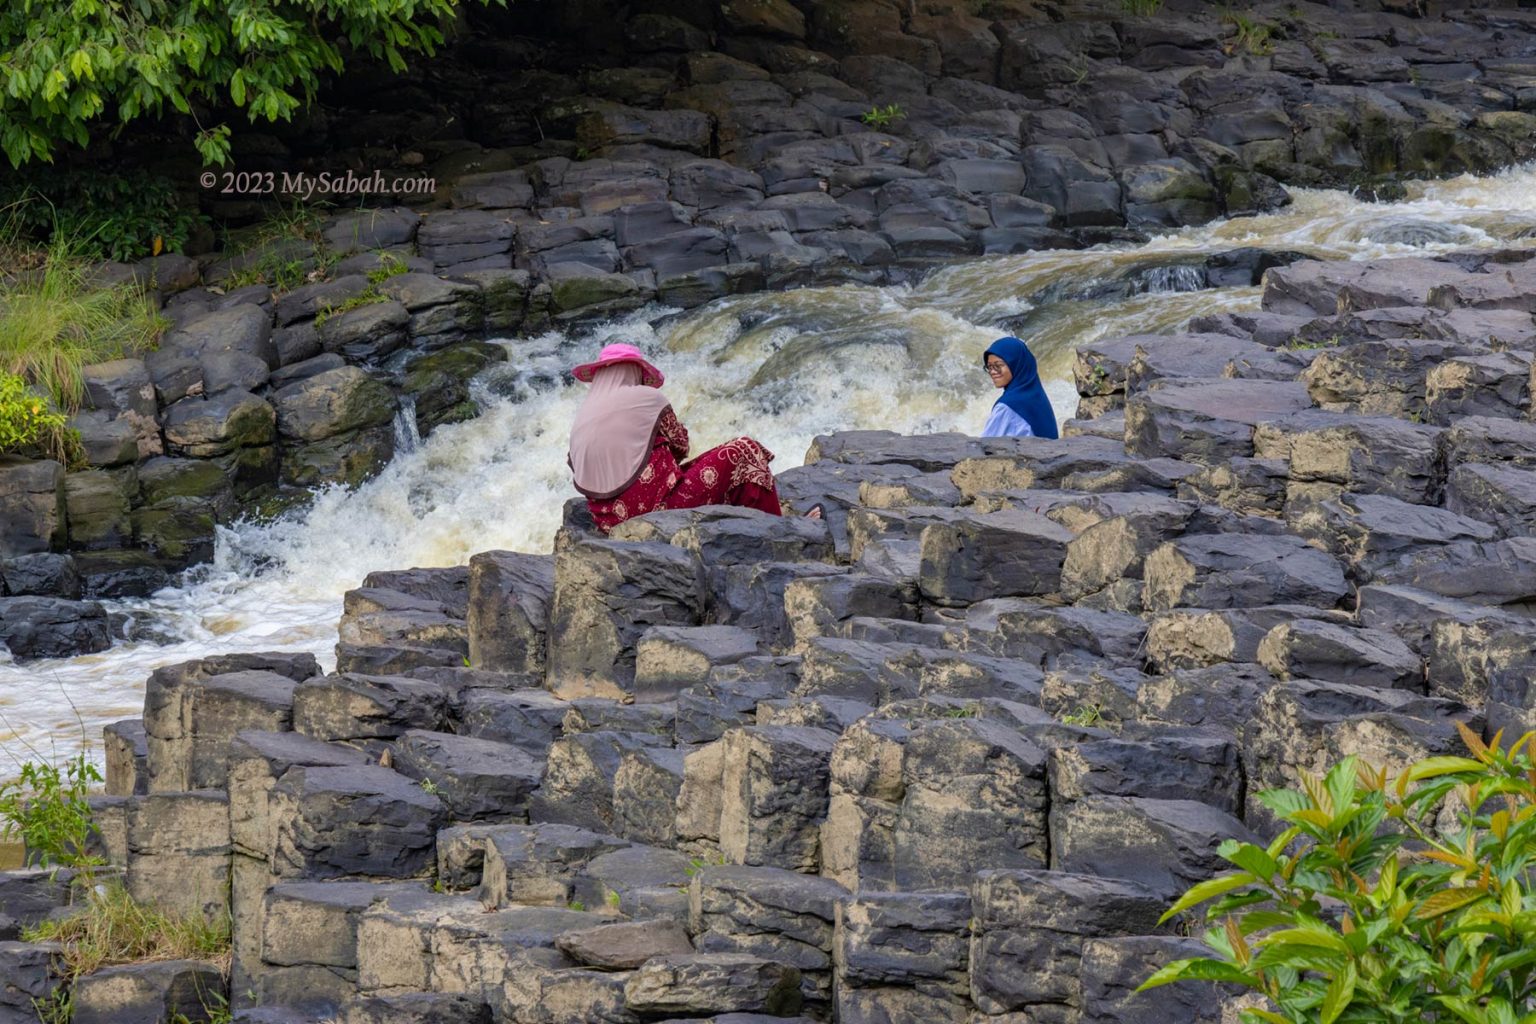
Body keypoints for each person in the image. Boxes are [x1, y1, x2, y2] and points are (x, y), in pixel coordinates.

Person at [567, 343, 820, 533]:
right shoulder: (647, 399)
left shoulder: (581, 418)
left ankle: (754, 527)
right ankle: (782, 534)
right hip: (655, 515)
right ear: (634, 372)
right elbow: (681, 446)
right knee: (744, 450)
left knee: (718, 464)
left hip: (610, 524)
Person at [981, 336, 1059, 439]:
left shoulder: (1007, 407)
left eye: (998, 365)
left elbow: (984, 446)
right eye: (989, 367)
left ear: (1015, 364)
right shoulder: (1036, 395)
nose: (993, 372)